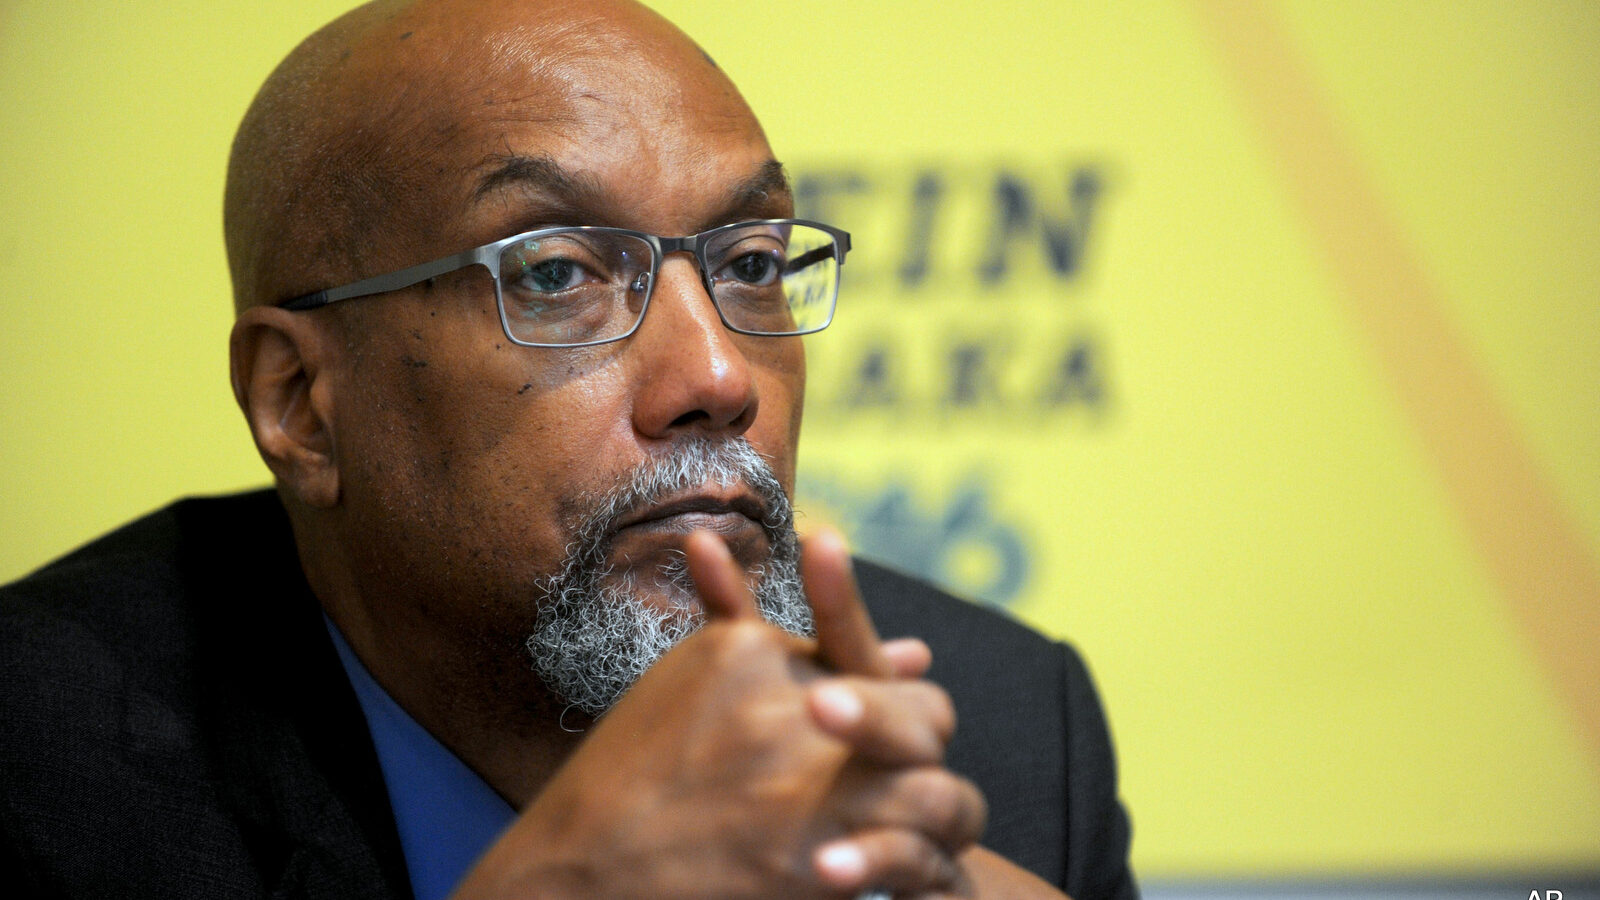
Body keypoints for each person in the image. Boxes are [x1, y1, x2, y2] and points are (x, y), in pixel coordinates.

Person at [0, 0, 1136, 897]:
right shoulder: (41, 763)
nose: (719, 379)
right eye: (555, 275)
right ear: (300, 402)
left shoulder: (997, 732)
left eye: (747, 263)